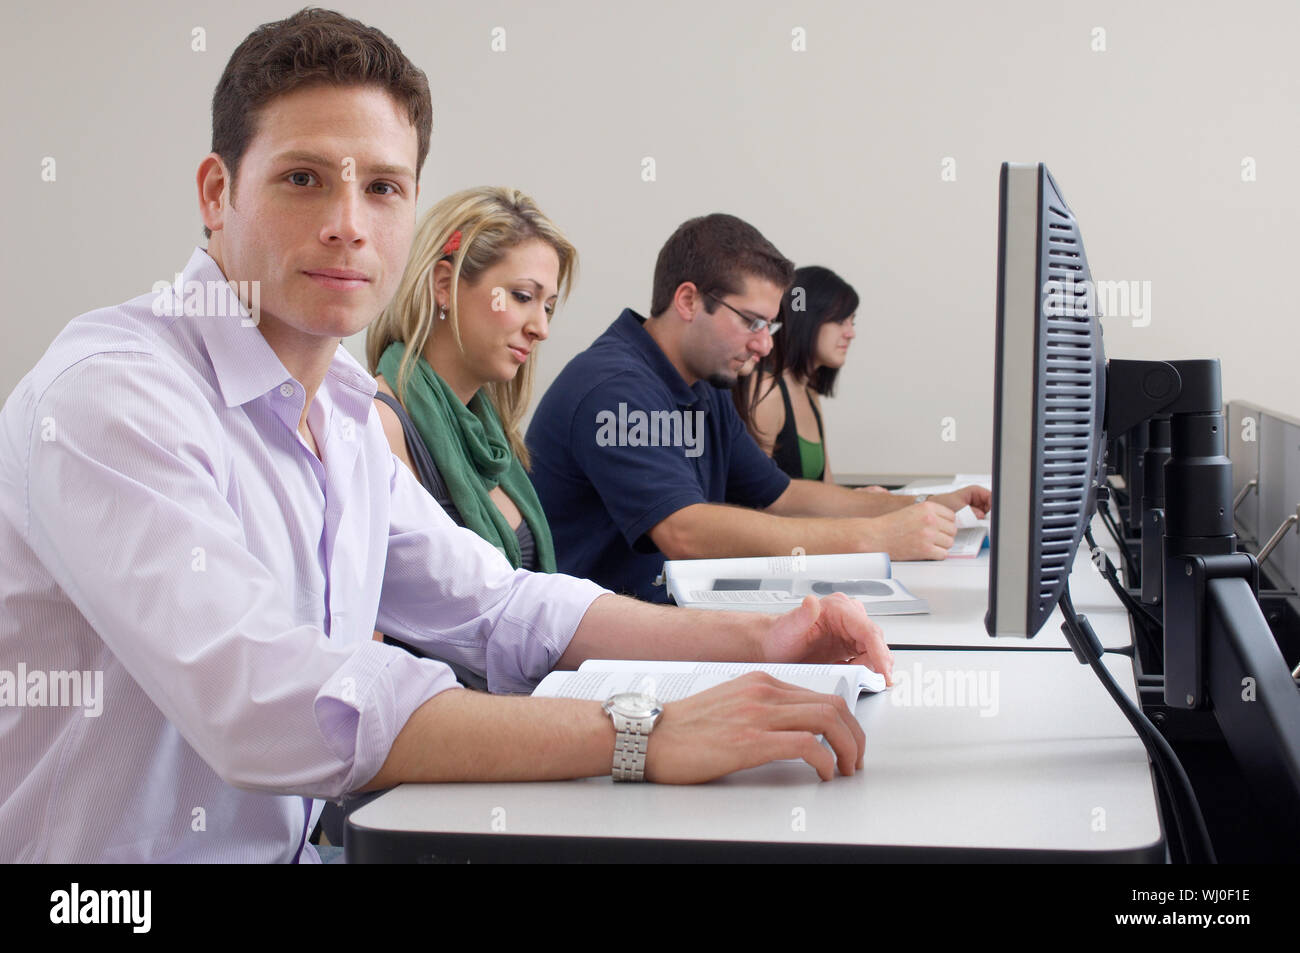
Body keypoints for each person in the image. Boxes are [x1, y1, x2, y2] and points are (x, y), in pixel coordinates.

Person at [0, 9, 892, 863]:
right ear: (216, 193)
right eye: (303, 177)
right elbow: (266, 707)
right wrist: (639, 731)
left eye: (382, 186)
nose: (349, 221)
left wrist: (766, 638)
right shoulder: (113, 396)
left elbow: (498, 606)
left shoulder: (342, 401)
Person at [526, 214, 991, 603]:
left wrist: (919, 507)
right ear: (688, 300)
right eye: (751, 321)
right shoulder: (617, 388)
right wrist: (876, 539)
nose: (766, 344)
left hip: (664, 616)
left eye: (771, 324)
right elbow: (685, 531)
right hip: (593, 648)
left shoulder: (703, 384)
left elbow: (784, 496)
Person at [366, 186, 571, 573]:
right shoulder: (379, 426)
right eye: (523, 296)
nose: (541, 328)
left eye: (548, 307)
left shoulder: (491, 440)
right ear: (445, 285)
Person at [734, 265, 857, 482]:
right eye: (839, 321)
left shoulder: (809, 391)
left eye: (852, 322)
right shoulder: (766, 392)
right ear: (807, 320)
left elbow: (826, 489)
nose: (851, 334)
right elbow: (753, 496)